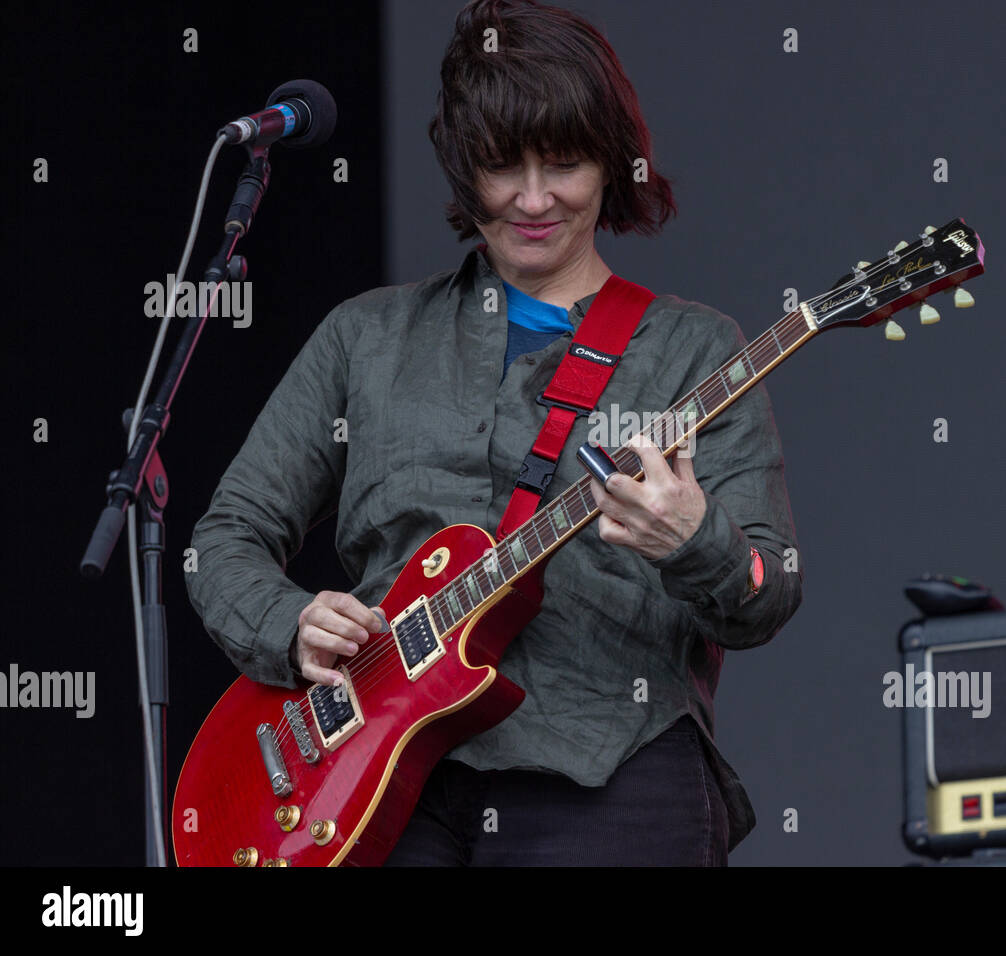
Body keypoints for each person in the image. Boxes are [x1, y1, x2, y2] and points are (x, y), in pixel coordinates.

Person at [186, 0, 802, 866]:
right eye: (501, 166)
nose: (534, 197)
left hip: (610, 775)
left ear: (611, 165)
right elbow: (224, 539)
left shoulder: (693, 350)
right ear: (461, 166)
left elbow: (768, 592)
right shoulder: (366, 336)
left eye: (565, 163)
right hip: (377, 784)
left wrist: (694, 539)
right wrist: (288, 625)